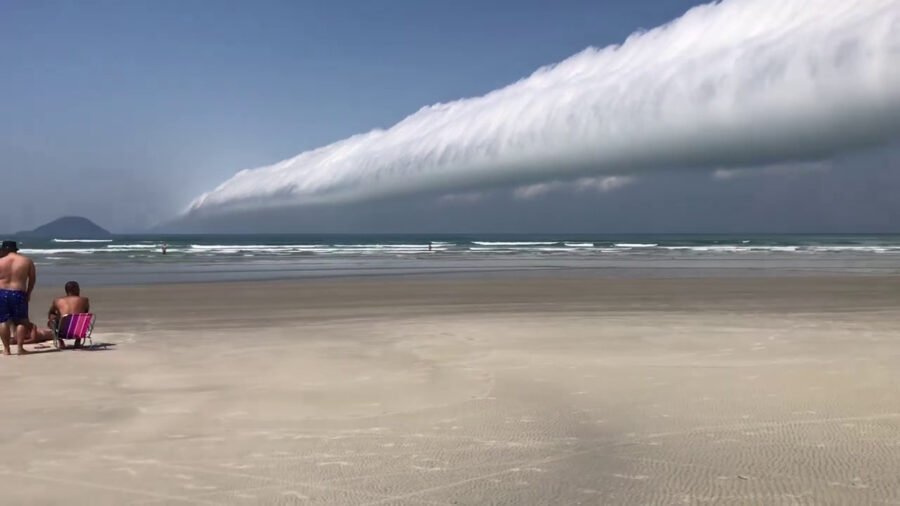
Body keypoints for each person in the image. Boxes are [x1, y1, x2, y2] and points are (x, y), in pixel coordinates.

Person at [0, 241, 36, 355]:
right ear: (16, 250)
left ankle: (6, 349)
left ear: (4, 250)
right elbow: (32, 279)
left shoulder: (0, 261)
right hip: (18, 292)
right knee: (21, 321)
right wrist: (28, 293)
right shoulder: (26, 261)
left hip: (2, 292)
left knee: (2, 321)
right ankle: (20, 348)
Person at [47, 281, 91, 348]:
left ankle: (60, 341)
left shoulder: (57, 301)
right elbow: (85, 312)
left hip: (63, 332)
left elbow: (50, 313)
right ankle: (77, 341)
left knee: (51, 320)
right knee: (82, 318)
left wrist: (58, 315)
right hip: (79, 331)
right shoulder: (85, 300)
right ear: (76, 289)